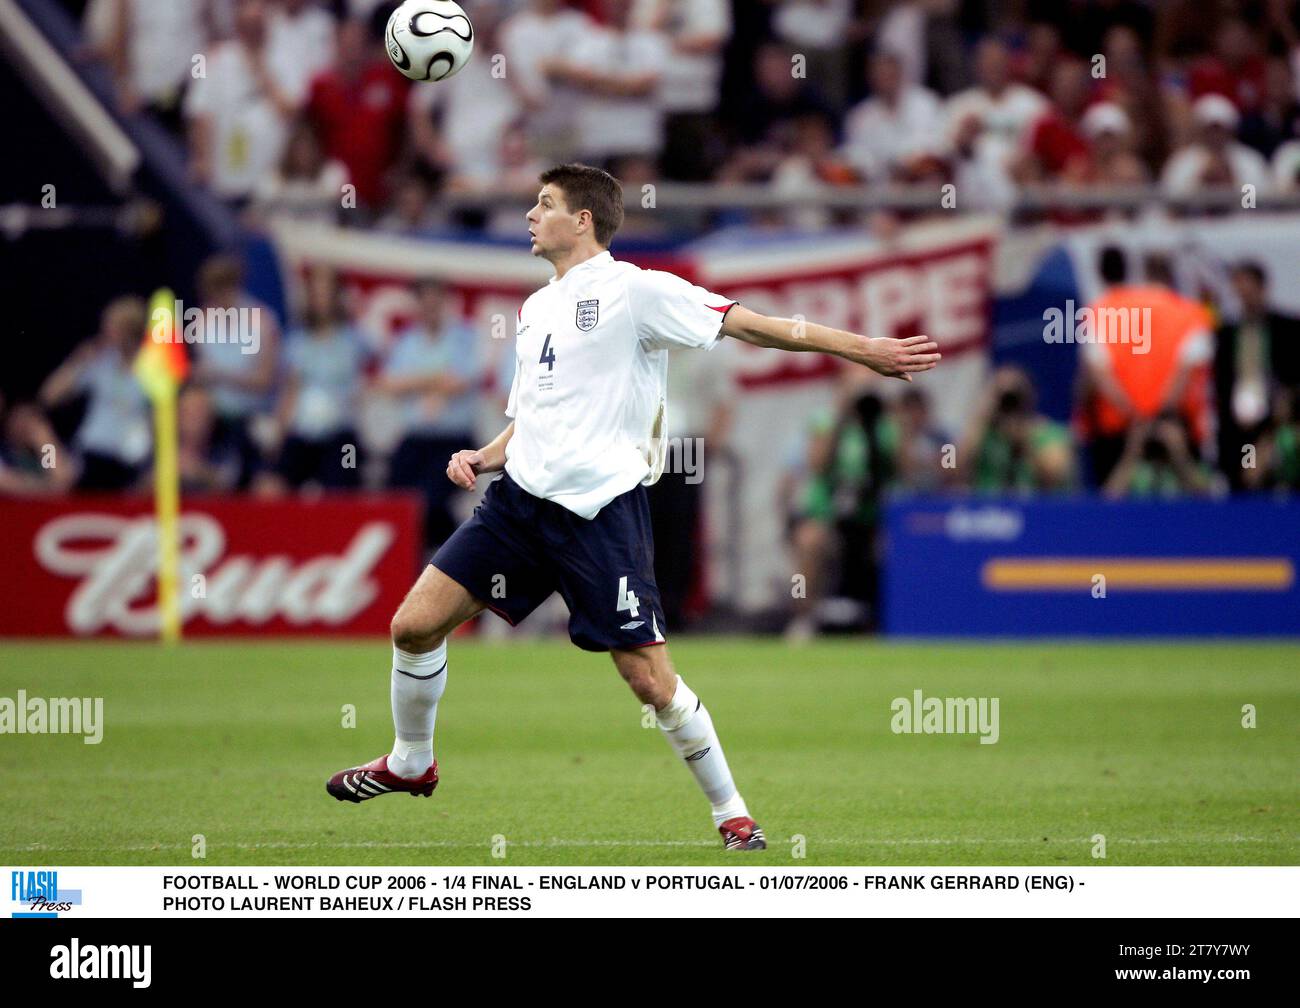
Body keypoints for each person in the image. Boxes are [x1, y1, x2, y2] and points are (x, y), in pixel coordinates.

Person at [326, 164, 940, 850]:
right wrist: (486, 455)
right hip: (519, 505)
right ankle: (412, 762)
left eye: (545, 204)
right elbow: (535, 413)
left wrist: (864, 350)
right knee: (412, 626)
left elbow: (754, 325)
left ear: (582, 221)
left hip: (600, 513)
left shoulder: (637, 292)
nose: (530, 214)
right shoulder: (536, 310)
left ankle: (732, 812)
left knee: (648, 679)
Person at [39, 295, 152, 491]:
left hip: (131, 461)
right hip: (92, 454)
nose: (106, 331)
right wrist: (78, 361)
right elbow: (49, 396)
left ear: (131, 330)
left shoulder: (153, 366)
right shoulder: (100, 361)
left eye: (113, 326)